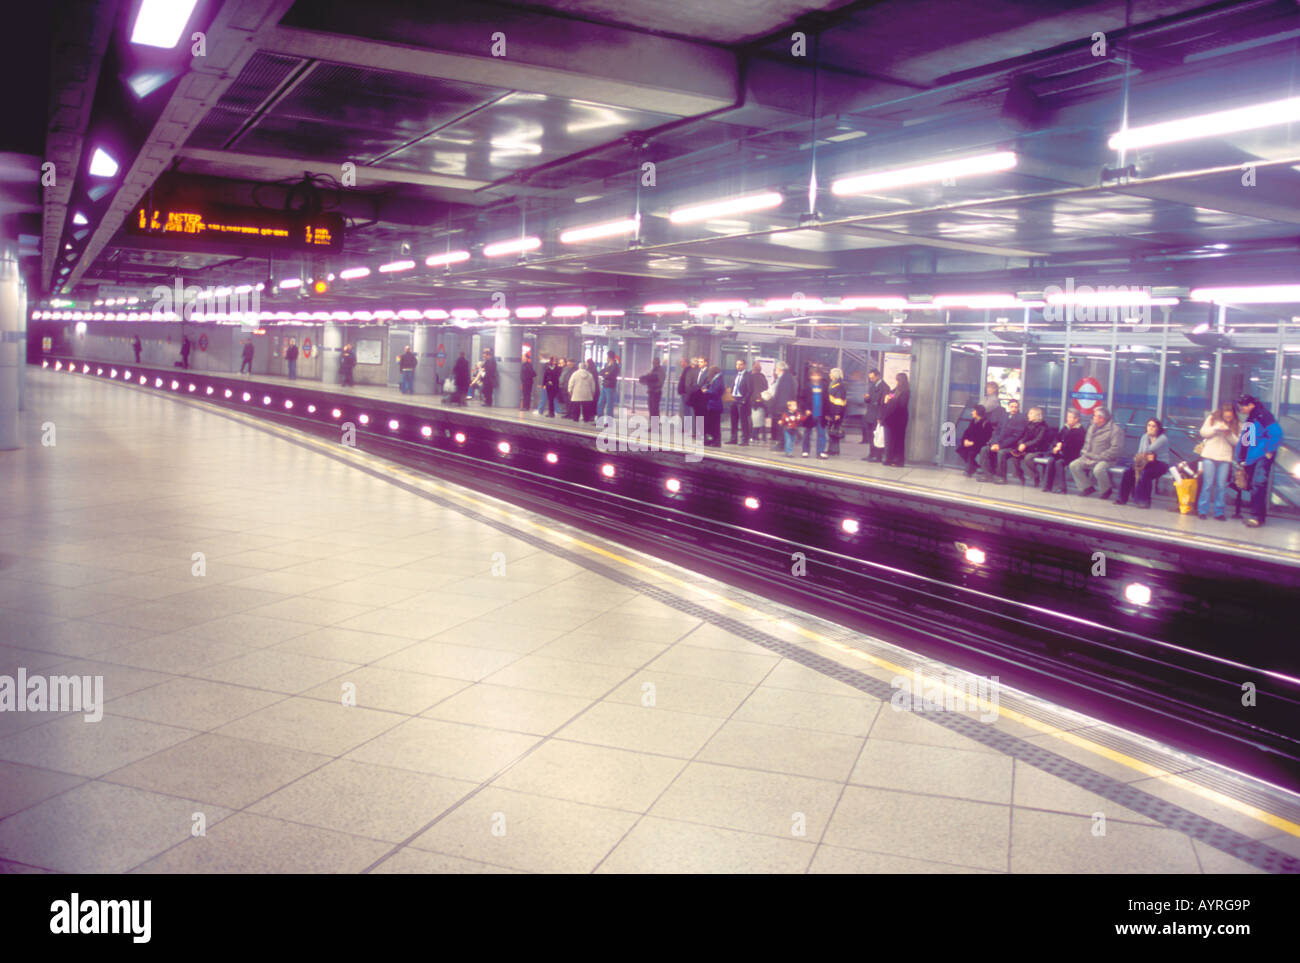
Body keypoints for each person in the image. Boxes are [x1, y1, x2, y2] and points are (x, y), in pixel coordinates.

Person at [1234, 394, 1284, 528]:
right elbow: (1246, 440)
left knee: (1258, 485)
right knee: (1255, 486)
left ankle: (1256, 517)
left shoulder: (1262, 416)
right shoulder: (1252, 417)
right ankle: (1258, 516)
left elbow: (1277, 433)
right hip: (1253, 458)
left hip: (1260, 457)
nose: (1240, 410)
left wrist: (1269, 451)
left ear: (1251, 405)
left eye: (1242, 407)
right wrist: (1241, 458)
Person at [1196, 401, 1239, 521]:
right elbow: (1203, 433)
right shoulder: (1212, 419)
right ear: (1222, 413)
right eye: (1226, 416)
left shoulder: (1237, 424)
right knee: (1208, 484)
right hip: (1209, 455)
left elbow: (1237, 442)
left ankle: (1219, 512)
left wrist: (1228, 434)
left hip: (1225, 458)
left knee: (1221, 486)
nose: (1228, 418)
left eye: (1230, 417)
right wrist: (1215, 428)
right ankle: (1202, 510)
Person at [1069, 406, 1124, 498]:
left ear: (1101, 418)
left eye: (1094, 416)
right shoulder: (1092, 427)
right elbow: (1087, 443)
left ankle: (1106, 490)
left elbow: (1116, 448)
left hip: (1107, 459)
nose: (1093, 417)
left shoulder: (1115, 430)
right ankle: (1087, 487)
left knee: (1098, 470)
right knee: (1074, 465)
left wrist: (1100, 457)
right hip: (1089, 456)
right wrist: (1085, 453)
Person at [1116, 418, 1169, 507]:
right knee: (1128, 472)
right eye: (1149, 425)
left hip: (1161, 463)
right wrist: (1146, 437)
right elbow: (1140, 452)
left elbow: (1149, 449)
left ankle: (1143, 501)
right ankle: (1121, 499)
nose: (1150, 428)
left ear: (1158, 428)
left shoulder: (1162, 438)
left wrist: (1147, 437)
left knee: (1145, 473)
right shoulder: (1145, 437)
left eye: (1153, 426)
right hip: (1146, 461)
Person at [980, 399, 1026, 482]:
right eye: (1012, 407)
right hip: (998, 444)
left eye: (1016, 407)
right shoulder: (1004, 416)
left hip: (1011, 446)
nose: (1014, 409)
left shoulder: (1021, 419)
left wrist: (1000, 446)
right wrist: (994, 443)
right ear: (1008, 407)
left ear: (1018, 408)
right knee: (984, 449)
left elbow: (1016, 436)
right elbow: (996, 431)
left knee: (1001, 453)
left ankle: (1001, 477)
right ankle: (987, 475)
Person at [1042, 409, 1086, 493]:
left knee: (1059, 462)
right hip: (1061, 453)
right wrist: (1057, 444)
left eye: (1070, 417)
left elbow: (1072, 446)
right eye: (1067, 417)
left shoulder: (1079, 431)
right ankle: (1047, 485)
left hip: (1072, 455)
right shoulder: (1066, 427)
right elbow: (1056, 438)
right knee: (1051, 460)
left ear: (1076, 419)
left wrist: (1059, 448)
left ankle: (1062, 487)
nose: (1067, 419)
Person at [1009, 406, 1051, 485]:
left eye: (1030, 414)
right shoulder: (1029, 424)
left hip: (1039, 449)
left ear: (1036, 415)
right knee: (1015, 457)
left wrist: (1025, 445)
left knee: (1028, 458)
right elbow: (1025, 437)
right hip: (1028, 448)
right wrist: (1021, 443)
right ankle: (1021, 476)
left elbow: (1038, 440)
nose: (1028, 415)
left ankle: (1036, 475)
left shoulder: (1043, 427)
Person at [881, 372, 910, 467]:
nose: (896, 382)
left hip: (899, 419)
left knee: (899, 440)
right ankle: (890, 458)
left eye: (897, 380)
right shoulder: (895, 390)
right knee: (890, 440)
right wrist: (887, 398)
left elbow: (902, 404)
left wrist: (890, 400)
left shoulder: (905, 391)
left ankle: (898, 460)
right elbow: (889, 396)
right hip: (890, 418)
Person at [799, 367, 829, 459]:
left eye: (818, 375)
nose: (816, 377)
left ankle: (820, 452)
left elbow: (827, 400)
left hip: (821, 414)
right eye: (814, 375)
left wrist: (828, 413)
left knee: (821, 433)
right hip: (810, 414)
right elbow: (801, 399)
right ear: (810, 376)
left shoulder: (824, 386)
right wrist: (805, 409)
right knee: (807, 433)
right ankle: (805, 451)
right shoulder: (806, 386)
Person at [958, 405, 994, 477]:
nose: (972, 412)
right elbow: (967, 432)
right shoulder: (973, 421)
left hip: (980, 444)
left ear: (978, 412)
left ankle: (969, 470)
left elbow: (985, 438)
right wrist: (965, 440)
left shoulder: (986, 423)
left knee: (971, 451)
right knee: (960, 450)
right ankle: (975, 466)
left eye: (973, 411)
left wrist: (973, 443)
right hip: (971, 443)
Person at [860, 368, 887, 461]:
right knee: (871, 436)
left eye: (872, 378)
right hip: (870, 414)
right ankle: (871, 454)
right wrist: (866, 398)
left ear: (878, 376)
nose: (871, 380)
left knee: (877, 436)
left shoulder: (884, 387)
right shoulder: (872, 386)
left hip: (877, 415)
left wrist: (880, 417)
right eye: (870, 378)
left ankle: (877, 456)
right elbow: (869, 400)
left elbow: (883, 404)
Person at [768, 361, 796, 450]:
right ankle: (781, 444)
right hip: (781, 406)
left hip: (782, 407)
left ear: (780, 369)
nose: (775, 370)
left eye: (776, 368)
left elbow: (785, 394)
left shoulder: (786, 378)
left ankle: (782, 445)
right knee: (781, 426)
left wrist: (781, 408)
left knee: (782, 426)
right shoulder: (784, 377)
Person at [727, 358, 754, 445]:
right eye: (737, 364)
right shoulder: (736, 375)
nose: (738, 366)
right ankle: (733, 438)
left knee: (743, 421)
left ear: (744, 365)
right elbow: (734, 386)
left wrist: (744, 400)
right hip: (734, 399)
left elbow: (750, 390)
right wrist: (731, 395)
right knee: (733, 420)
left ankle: (745, 440)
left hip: (742, 400)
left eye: (740, 364)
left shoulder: (748, 375)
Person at [825, 368, 848, 456]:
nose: (829, 375)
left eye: (831, 373)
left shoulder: (838, 385)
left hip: (835, 411)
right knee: (833, 430)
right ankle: (833, 449)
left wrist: (837, 413)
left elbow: (839, 400)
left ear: (835, 375)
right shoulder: (835, 384)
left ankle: (833, 450)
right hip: (833, 411)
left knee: (834, 430)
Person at [702, 365, 725, 447]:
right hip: (712, 405)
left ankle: (716, 441)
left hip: (715, 405)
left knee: (715, 425)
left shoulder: (717, 380)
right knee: (711, 424)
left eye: (710, 371)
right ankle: (712, 440)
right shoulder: (715, 379)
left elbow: (715, 392)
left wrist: (706, 391)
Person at [748, 359, 769, 443]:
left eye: (759, 365)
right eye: (757, 365)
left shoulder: (762, 376)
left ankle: (756, 436)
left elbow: (765, 388)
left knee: (759, 419)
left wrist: (762, 398)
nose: (758, 367)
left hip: (759, 401)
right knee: (755, 419)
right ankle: (754, 435)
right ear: (753, 366)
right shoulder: (749, 376)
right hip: (751, 401)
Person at [598, 353, 621, 420]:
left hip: (610, 387)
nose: (606, 358)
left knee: (609, 405)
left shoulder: (615, 366)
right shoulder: (607, 364)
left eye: (607, 357)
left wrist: (605, 374)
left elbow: (610, 375)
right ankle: (600, 420)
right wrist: (606, 374)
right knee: (600, 403)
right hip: (604, 385)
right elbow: (601, 372)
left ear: (610, 357)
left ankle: (609, 421)